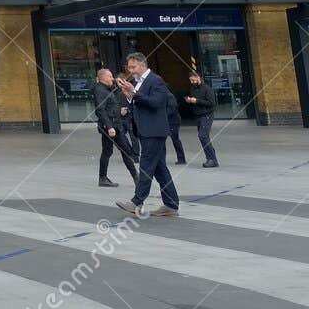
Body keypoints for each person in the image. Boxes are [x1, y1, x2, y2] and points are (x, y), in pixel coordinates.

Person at [115, 53, 180, 218]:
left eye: (133, 67)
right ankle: (171, 205)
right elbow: (140, 103)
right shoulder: (137, 82)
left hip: (154, 131)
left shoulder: (155, 80)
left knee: (146, 165)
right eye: (128, 67)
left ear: (142, 65)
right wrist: (128, 94)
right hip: (145, 130)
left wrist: (134, 93)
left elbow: (156, 102)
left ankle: (137, 201)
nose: (130, 71)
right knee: (160, 169)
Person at [92, 67, 138, 188]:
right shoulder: (99, 90)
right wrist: (109, 126)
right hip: (111, 127)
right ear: (103, 78)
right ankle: (136, 177)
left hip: (115, 125)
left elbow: (114, 101)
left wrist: (118, 87)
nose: (112, 78)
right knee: (124, 151)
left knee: (108, 151)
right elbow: (101, 110)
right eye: (110, 76)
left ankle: (103, 178)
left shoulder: (108, 89)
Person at [184, 71, 219, 168]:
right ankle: (211, 157)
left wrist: (197, 101)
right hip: (198, 115)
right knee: (203, 137)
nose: (192, 82)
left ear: (198, 77)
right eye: (190, 80)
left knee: (203, 136)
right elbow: (191, 98)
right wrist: (189, 100)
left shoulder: (207, 89)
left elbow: (212, 103)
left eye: (193, 80)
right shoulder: (192, 89)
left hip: (207, 115)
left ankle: (212, 159)